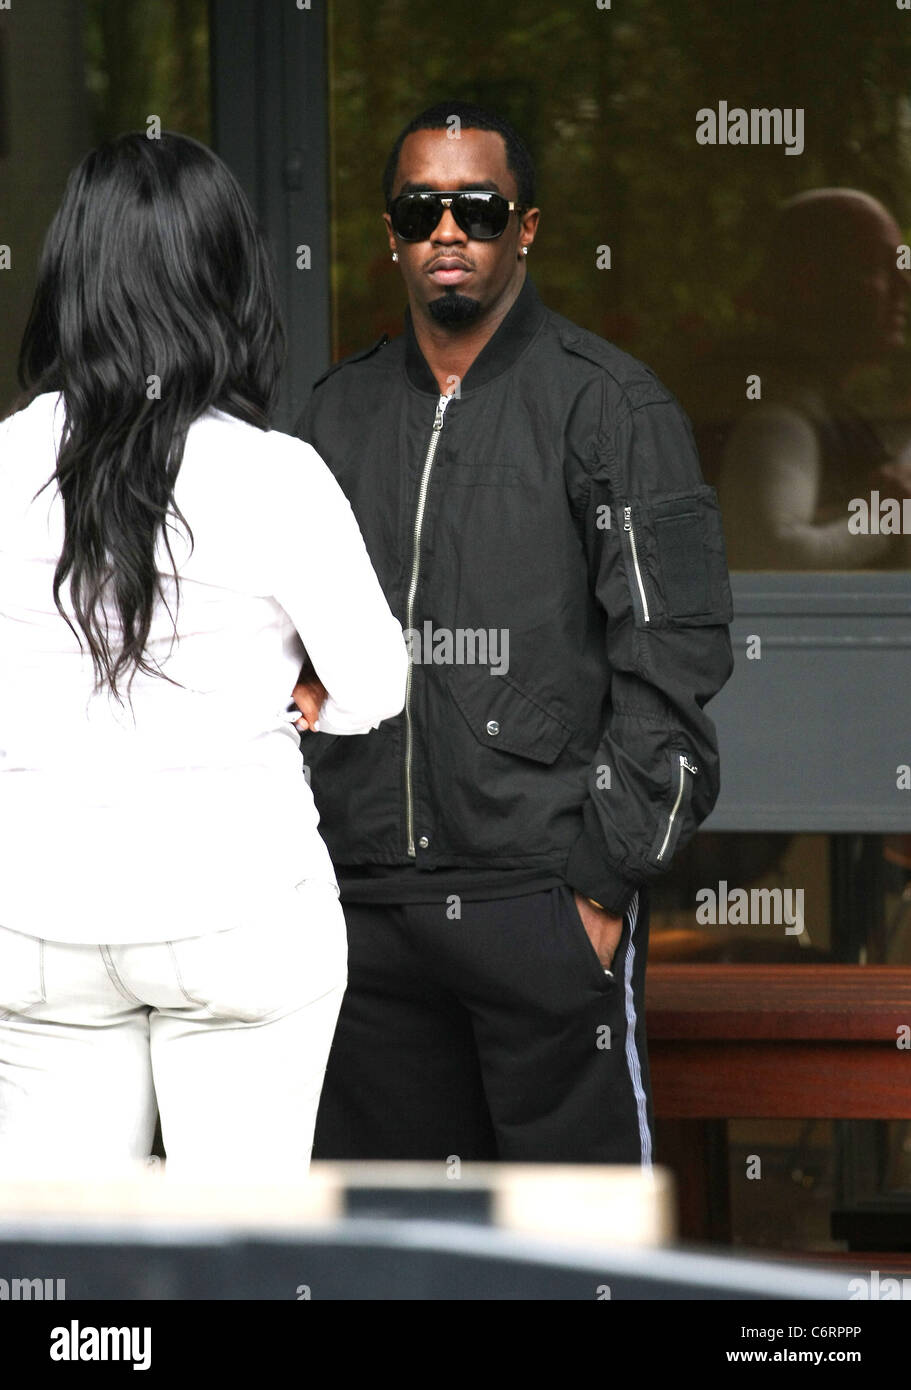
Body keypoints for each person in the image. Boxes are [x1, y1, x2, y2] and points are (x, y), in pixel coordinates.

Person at [294, 101, 733, 1165]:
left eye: (478, 208)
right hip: (368, 914)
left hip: (538, 902)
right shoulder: (330, 417)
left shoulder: (610, 408)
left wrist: (596, 883)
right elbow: (279, 654)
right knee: (393, 1261)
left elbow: (673, 655)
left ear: (524, 228)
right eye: (421, 208)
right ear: (390, 231)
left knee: (567, 1256)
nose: (449, 231)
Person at [0, 132, 408, 1178]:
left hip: (36, 921)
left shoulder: (3, 468)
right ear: (226, 281)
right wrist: (303, 696)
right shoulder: (277, 475)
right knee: (241, 1248)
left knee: (59, 1253)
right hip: (238, 912)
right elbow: (376, 681)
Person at [718, 189, 911, 570]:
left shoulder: (811, 405)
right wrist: (887, 516)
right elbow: (772, 554)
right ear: (808, 284)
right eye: (877, 265)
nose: (905, 284)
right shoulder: (777, 420)